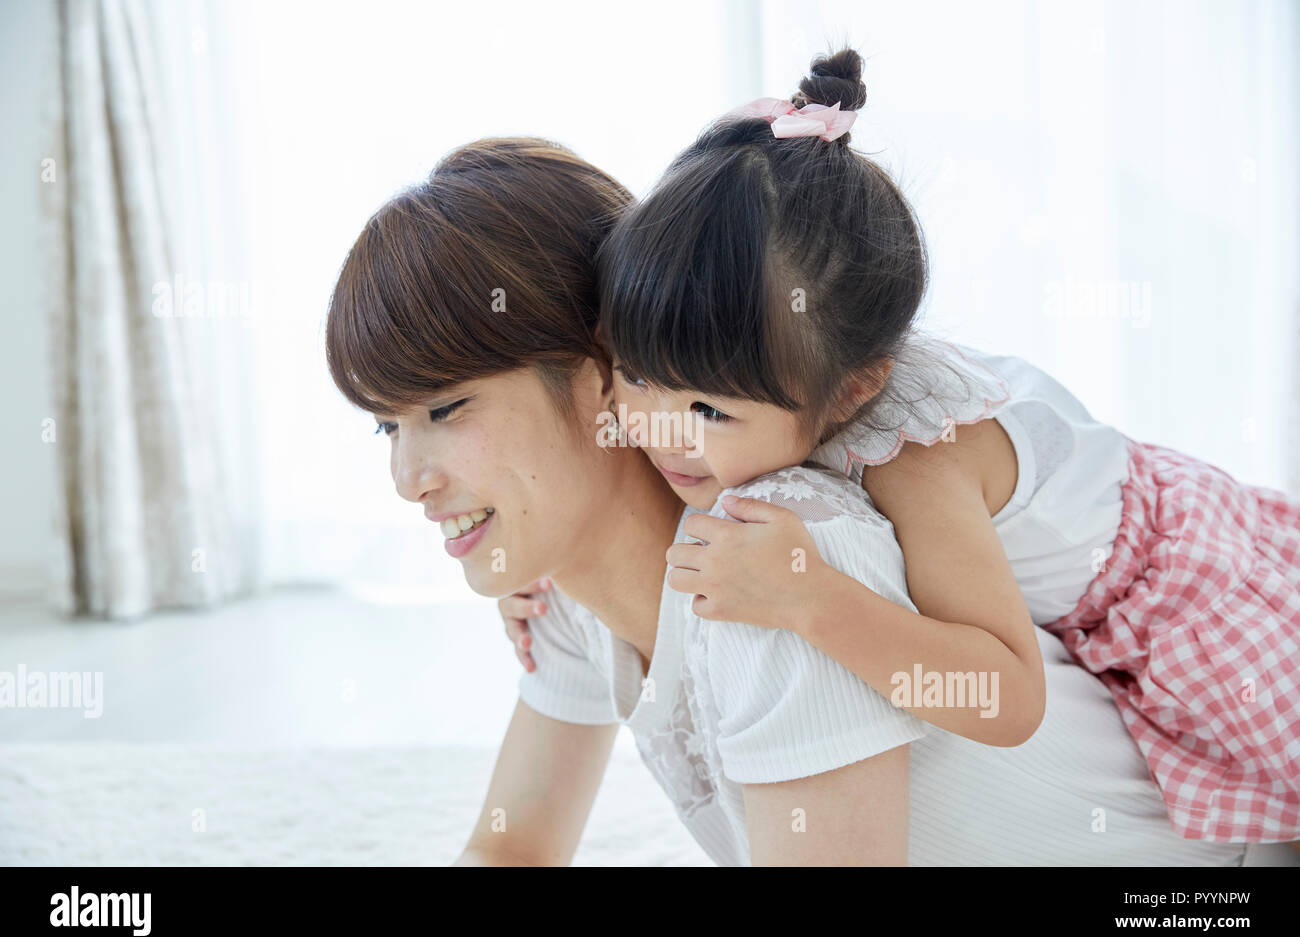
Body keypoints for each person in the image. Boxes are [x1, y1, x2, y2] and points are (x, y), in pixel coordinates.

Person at [325, 135, 1262, 865]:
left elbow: (998, 693)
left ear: (602, 365)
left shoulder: (781, 561)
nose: (409, 480)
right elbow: (512, 848)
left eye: (447, 409)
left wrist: (814, 596)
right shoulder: (570, 593)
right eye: (387, 426)